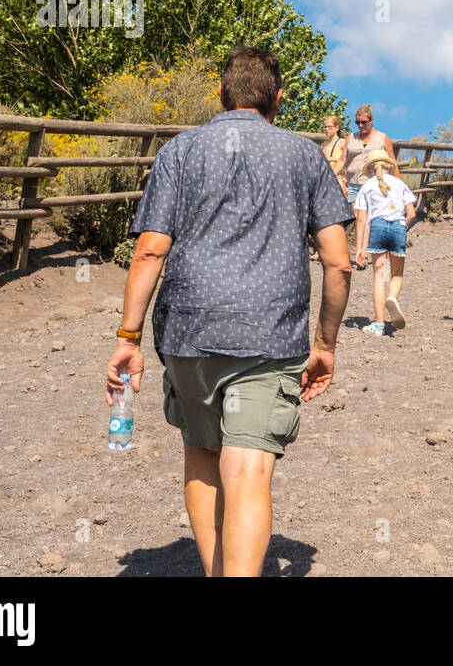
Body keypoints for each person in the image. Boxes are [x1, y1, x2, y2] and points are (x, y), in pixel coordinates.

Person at [105, 46, 352, 577]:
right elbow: (339, 264)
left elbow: (149, 249)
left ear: (220, 93)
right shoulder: (306, 155)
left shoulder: (180, 151)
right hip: (270, 335)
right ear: (278, 99)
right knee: (249, 472)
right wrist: (325, 345)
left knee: (201, 452)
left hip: (188, 334)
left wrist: (128, 338)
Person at [353, 149, 415, 336]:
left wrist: (360, 249)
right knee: (397, 274)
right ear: (388, 165)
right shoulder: (399, 183)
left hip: (377, 228)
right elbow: (411, 213)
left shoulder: (366, 187)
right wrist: (403, 227)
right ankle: (393, 299)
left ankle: (379, 325)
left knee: (379, 278)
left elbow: (361, 220)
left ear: (370, 169)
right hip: (398, 226)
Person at [342, 104, 399, 205]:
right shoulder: (351, 137)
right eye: (357, 122)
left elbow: (392, 161)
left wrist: (398, 185)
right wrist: (331, 174)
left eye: (363, 122)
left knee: (369, 216)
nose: (360, 125)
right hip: (353, 185)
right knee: (358, 217)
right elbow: (342, 160)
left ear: (371, 120)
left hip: (374, 183)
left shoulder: (382, 138)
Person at [313, 115, 349, 260]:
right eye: (325, 126)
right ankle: (320, 250)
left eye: (329, 126)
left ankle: (332, 251)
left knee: (335, 218)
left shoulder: (342, 142)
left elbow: (345, 160)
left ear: (337, 127)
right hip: (324, 180)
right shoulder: (324, 145)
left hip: (338, 181)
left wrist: (332, 161)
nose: (326, 129)